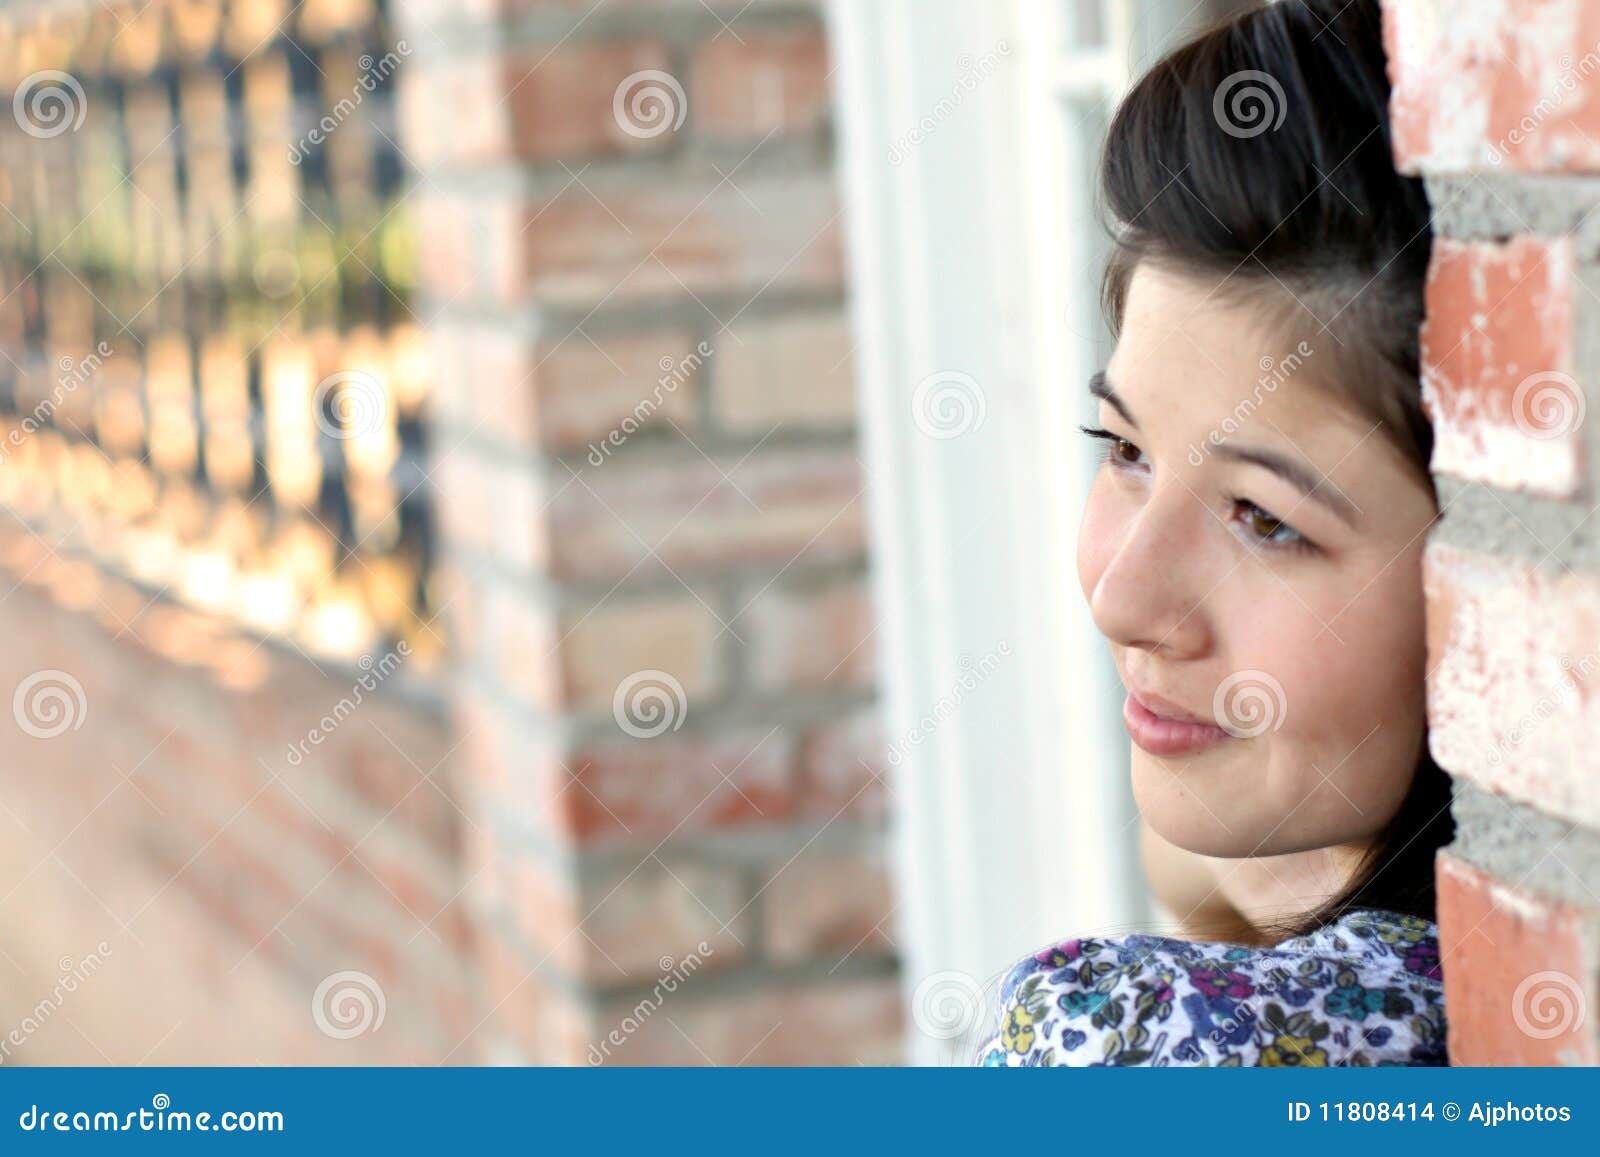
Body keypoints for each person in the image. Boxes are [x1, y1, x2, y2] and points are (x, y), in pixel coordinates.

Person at [975, 0, 1450, 1067]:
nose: (1121, 597)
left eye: (1264, 519)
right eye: (1127, 449)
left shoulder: (1140, 1048)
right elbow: (1199, 871)